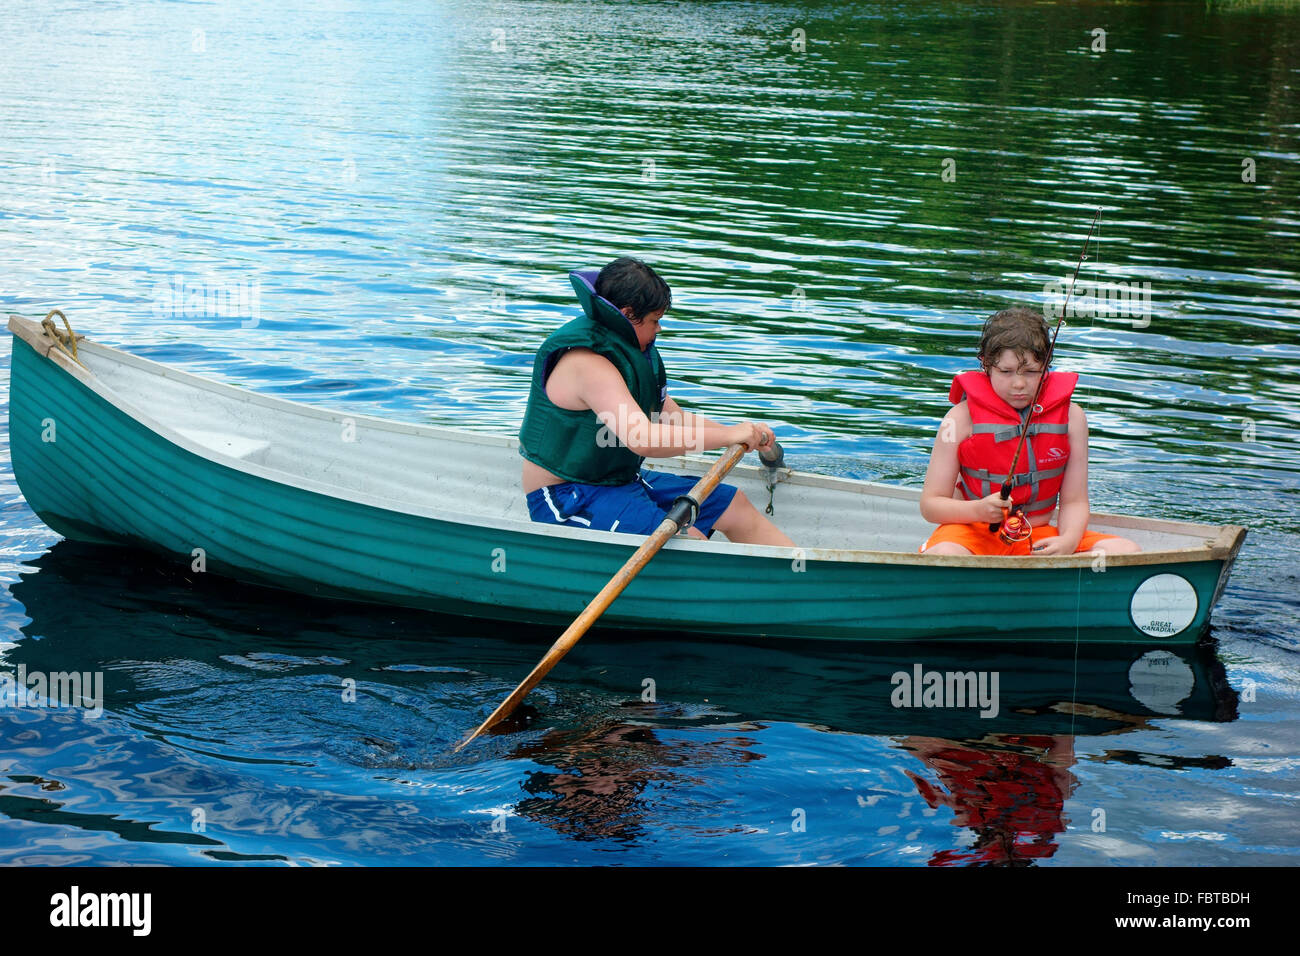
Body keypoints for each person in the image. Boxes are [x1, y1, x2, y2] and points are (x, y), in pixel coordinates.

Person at [518, 257, 795, 547]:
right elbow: (643, 439)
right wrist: (729, 435)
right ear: (627, 314)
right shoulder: (587, 364)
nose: (659, 329)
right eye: (654, 320)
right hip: (567, 495)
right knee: (690, 543)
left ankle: (804, 576)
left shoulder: (627, 353)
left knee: (732, 504)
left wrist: (740, 434)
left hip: (619, 481)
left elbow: (669, 417)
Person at [919, 307, 1140, 556]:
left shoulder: (1073, 418)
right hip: (971, 533)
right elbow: (930, 505)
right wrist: (979, 510)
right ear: (986, 365)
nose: (1019, 384)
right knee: (944, 555)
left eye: (1032, 372)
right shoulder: (959, 420)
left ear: (1046, 368)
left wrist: (1067, 541)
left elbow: (1074, 501)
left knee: (1125, 550)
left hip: (1036, 536)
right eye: (1006, 371)